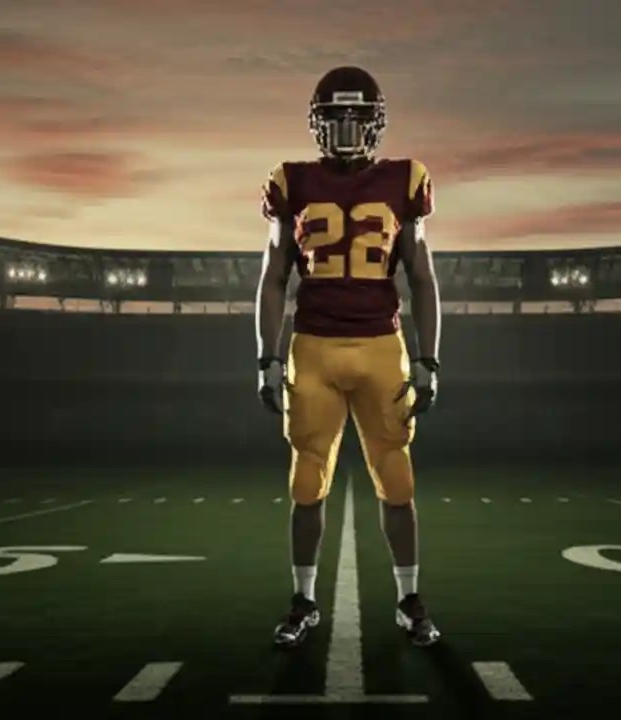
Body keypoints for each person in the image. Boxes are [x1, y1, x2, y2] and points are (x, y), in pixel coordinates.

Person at [253, 66, 443, 648]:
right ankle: (303, 601)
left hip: (382, 346)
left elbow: (422, 278)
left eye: (356, 118)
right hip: (312, 347)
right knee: (307, 481)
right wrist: (266, 355)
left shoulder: (404, 178)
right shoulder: (292, 180)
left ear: (376, 122)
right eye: (334, 118)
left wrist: (429, 360)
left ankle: (409, 601)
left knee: (397, 479)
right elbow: (274, 277)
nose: (344, 130)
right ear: (317, 124)